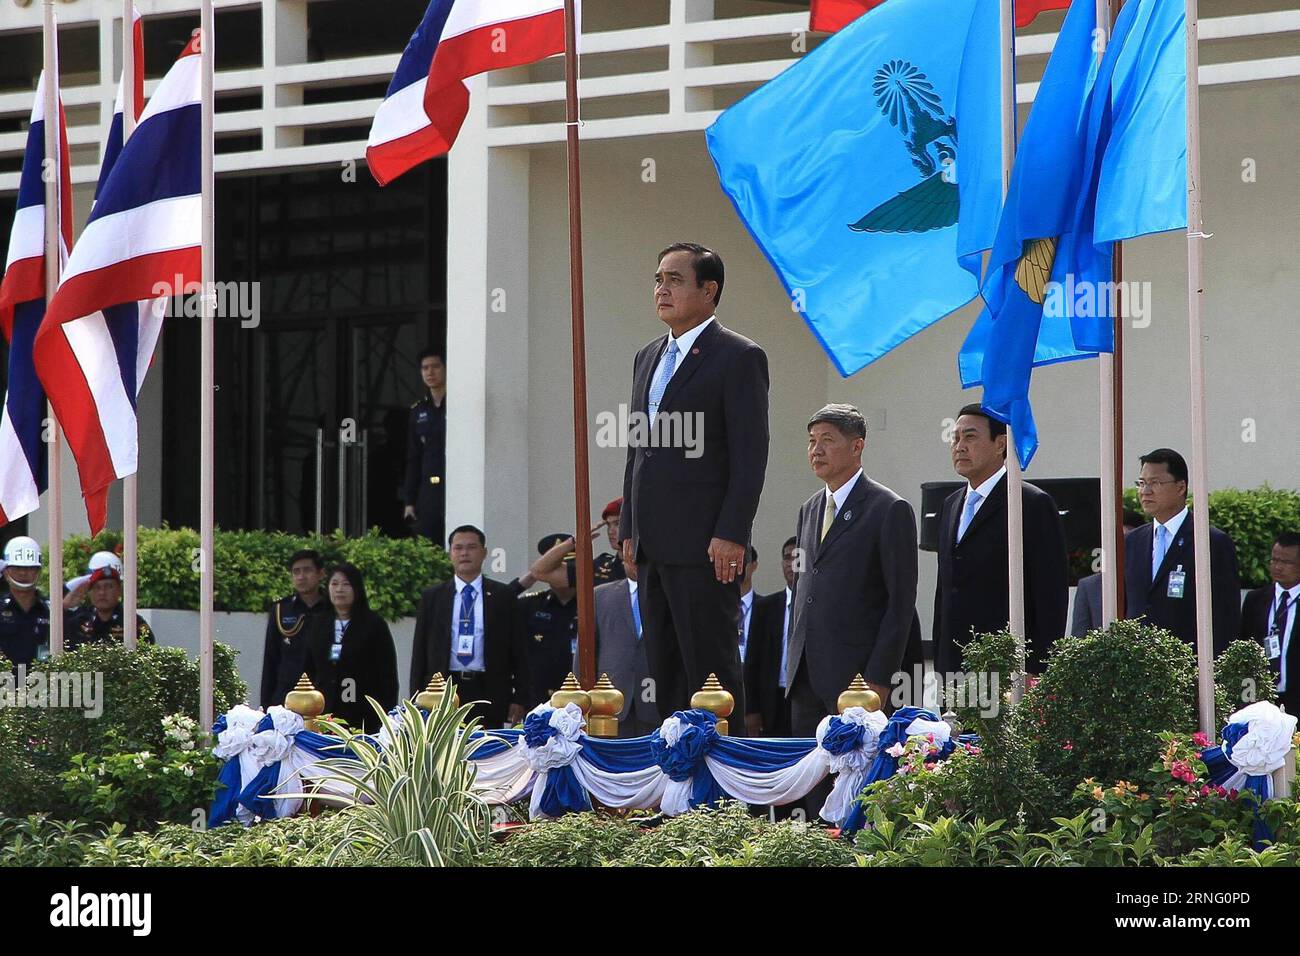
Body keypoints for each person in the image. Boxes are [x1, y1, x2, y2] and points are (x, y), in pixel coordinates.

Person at [619, 242, 769, 729]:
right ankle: (676, 785)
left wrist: (732, 532)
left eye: (675, 279)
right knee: (664, 672)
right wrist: (628, 528)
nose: (662, 288)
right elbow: (637, 451)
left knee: (710, 673)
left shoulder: (739, 356)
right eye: (658, 278)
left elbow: (750, 455)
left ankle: (720, 795)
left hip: (706, 545)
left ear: (710, 290)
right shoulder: (647, 356)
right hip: (652, 547)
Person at [786, 404, 922, 739]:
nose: (816, 450)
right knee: (810, 785)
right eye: (811, 441)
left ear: (857, 446)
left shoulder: (889, 509)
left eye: (827, 440)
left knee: (857, 784)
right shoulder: (810, 508)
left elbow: (900, 604)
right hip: (806, 678)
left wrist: (879, 679)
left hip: (858, 681)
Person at [934, 404, 1068, 676]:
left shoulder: (1029, 503)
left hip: (1009, 666)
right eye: (955, 437)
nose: (959, 446)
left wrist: (1037, 667)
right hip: (955, 666)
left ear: (1000, 444)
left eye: (970, 437)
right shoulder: (950, 505)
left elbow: (1050, 594)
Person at [410, 525, 529, 729]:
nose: (464, 553)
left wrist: (520, 697)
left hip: (489, 689)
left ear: (484, 553)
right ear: (450, 554)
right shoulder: (433, 596)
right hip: (444, 688)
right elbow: (420, 651)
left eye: (471, 547)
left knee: (488, 752)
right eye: (458, 548)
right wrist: (416, 695)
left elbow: (520, 650)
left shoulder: (503, 596)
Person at [1123, 447, 1240, 653]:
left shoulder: (1209, 541)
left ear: (1181, 487)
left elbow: (1225, 617)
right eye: (1142, 483)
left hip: (1191, 669)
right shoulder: (1133, 541)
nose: (1145, 491)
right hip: (1138, 671)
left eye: (1155, 483)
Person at [304, 563, 398, 734]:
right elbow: (308, 668)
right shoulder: (318, 623)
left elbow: (388, 676)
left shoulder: (374, 625)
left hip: (363, 716)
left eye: (346, 584)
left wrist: (385, 717)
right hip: (324, 714)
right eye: (334, 584)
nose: (339, 589)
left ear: (357, 588)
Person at [579, 555, 659, 737]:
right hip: (608, 704)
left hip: (657, 702)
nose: (637, 562)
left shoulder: (668, 595)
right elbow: (586, 653)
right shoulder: (599, 596)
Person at [260, 549, 330, 708]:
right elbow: (271, 660)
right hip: (286, 695)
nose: (301, 576)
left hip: (323, 695)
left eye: (307, 570)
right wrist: (266, 705)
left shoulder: (332, 609)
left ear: (320, 574)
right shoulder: (281, 610)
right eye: (296, 572)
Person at [1240, 532, 1300, 715]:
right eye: (1274, 560)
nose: (1278, 567)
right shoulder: (1255, 600)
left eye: (1286, 562)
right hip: (1261, 699)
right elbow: (1245, 651)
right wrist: (1245, 699)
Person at [517, 533, 580, 710]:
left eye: (565, 569)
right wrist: (531, 577)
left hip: (581, 697)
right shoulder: (531, 605)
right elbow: (498, 605)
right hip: (538, 699)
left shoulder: (595, 603)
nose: (558, 574)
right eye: (552, 569)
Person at [514, 499, 628, 593]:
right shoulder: (601, 567)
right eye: (608, 525)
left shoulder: (644, 565)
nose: (611, 531)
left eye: (617, 524)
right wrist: (573, 541)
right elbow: (539, 571)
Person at [745, 537, 797, 737]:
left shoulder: (818, 608)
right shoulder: (766, 607)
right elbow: (752, 661)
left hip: (806, 701)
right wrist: (751, 709)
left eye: (797, 558)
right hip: (772, 699)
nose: (792, 564)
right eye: (787, 558)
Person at [1069, 509, 1146, 637]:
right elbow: (1079, 640)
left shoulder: (1153, 580)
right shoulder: (1089, 586)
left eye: (1127, 542)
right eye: (1115, 542)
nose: (1120, 549)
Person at [403, 348, 447, 544]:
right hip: (429, 487)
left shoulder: (459, 403)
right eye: (425, 368)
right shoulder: (418, 411)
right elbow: (414, 458)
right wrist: (409, 500)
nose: (430, 372)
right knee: (428, 540)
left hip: (456, 483)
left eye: (435, 367)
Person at [65, 560, 156, 650]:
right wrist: (65, 606)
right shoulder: (81, 619)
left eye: (109, 587)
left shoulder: (133, 623)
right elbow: (58, 641)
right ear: (90, 592)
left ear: (119, 590)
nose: (102, 592)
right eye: (97, 587)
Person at [0, 536, 52, 669]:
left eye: (30, 568)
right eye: (17, 568)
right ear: (5, 572)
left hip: (41, 686)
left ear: (38, 571)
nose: (23, 573)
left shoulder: (52, 611)